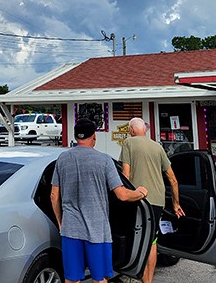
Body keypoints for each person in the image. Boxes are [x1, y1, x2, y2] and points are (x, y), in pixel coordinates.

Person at [51, 118, 149, 283]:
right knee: (100, 278)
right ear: (94, 136)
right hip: (97, 231)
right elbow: (122, 195)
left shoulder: (62, 159)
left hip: (70, 229)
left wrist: (61, 222)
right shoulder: (104, 160)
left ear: (76, 137)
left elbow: (54, 195)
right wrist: (140, 193)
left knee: (71, 279)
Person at [120, 117, 185, 283]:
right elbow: (172, 178)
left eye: (129, 129)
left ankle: (130, 272)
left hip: (138, 201)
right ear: (145, 130)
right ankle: (147, 281)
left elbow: (125, 175)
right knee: (152, 241)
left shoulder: (129, 143)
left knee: (134, 236)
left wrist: (122, 196)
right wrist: (176, 204)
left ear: (132, 130)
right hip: (157, 202)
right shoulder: (158, 147)